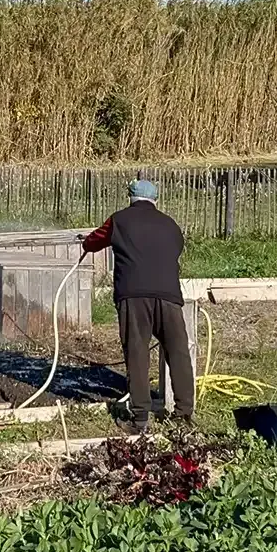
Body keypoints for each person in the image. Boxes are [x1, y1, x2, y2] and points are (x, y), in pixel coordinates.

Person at [80, 179, 194, 432]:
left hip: (133, 296)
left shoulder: (119, 219)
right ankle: (184, 415)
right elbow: (176, 248)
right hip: (169, 297)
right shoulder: (171, 225)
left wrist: (85, 242)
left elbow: (95, 240)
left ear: (130, 197)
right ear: (156, 200)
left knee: (137, 353)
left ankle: (140, 418)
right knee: (178, 353)